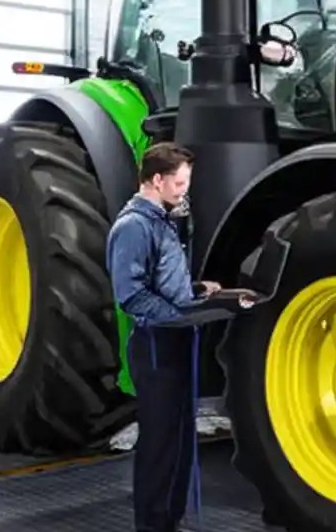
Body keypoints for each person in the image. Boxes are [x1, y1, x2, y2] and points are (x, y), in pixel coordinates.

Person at [106, 141, 219, 532]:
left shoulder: (161, 221)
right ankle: (153, 525)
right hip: (156, 345)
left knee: (180, 440)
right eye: (180, 182)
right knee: (159, 445)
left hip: (174, 339)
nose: (185, 190)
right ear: (157, 180)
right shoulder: (133, 227)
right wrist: (182, 315)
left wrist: (199, 292)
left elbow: (162, 281)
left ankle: (170, 519)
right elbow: (131, 294)